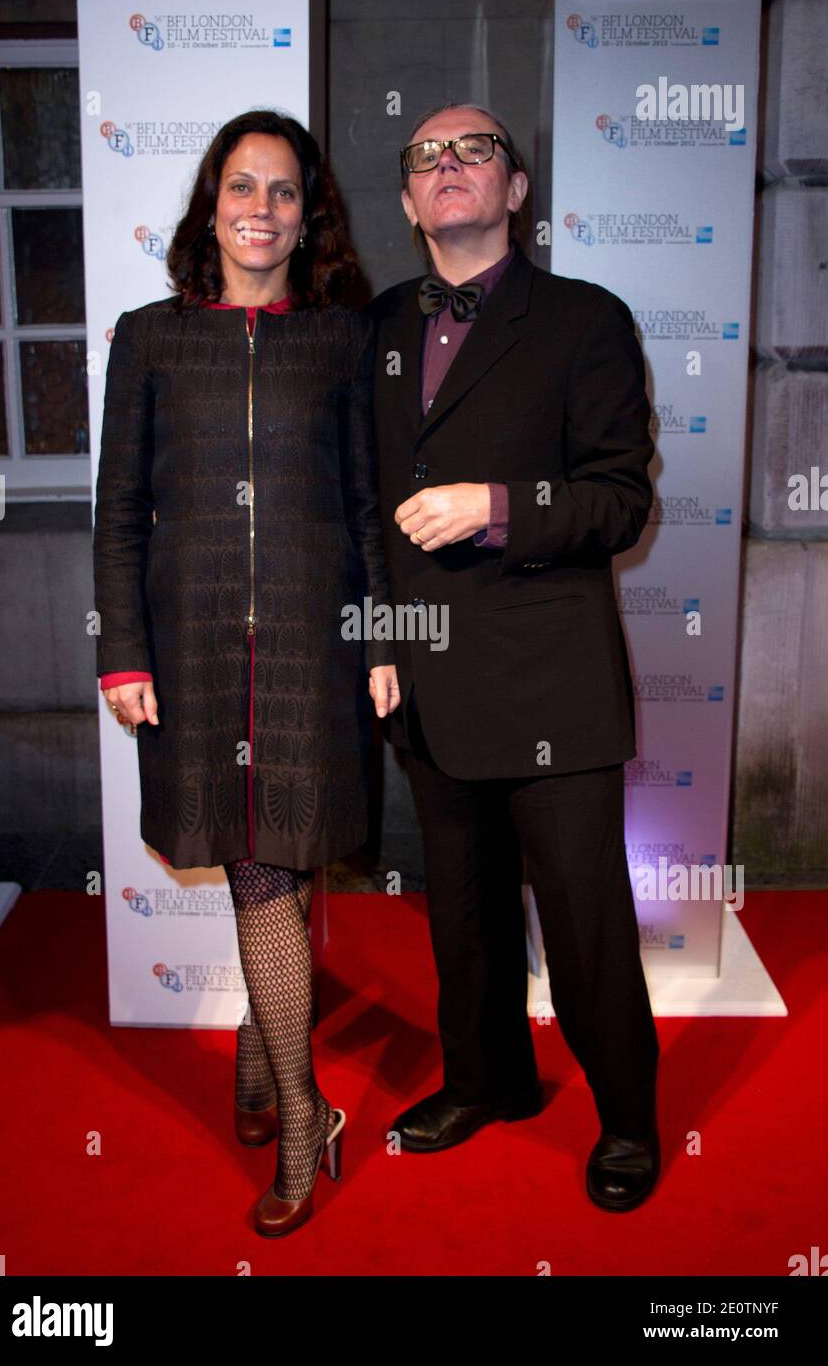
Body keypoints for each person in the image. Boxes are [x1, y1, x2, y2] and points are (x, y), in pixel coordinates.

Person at [93, 110, 399, 1238]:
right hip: (198, 651)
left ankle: (271, 1064)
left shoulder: (341, 339)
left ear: (305, 211)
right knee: (256, 871)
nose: (259, 209)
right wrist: (120, 647)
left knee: (283, 863)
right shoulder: (150, 338)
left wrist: (377, 638)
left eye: (281, 191)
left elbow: (367, 506)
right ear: (209, 203)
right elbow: (118, 511)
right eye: (240, 186)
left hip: (315, 654)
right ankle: (297, 1091)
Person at [367, 102, 661, 1211]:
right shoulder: (382, 325)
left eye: (471, 149)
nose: (447, 166)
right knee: (464, 912)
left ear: (515, 187)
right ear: (407, 201)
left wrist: (494, 506)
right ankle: (488, 1080)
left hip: (553, 680)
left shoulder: (585, 319)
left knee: (583, 923)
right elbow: (364, 503)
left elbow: (617, 502)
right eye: (425, 157)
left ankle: (626, 1117)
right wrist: (381, 635)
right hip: (428, 672)